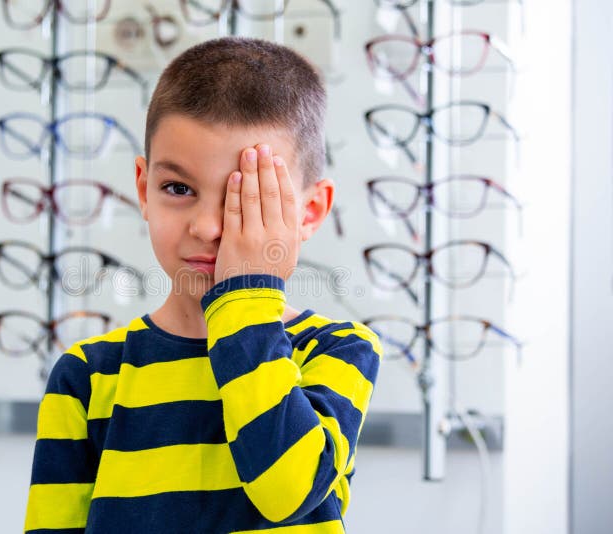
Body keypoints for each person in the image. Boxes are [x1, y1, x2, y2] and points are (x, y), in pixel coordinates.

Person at [23, 36, 383, 533]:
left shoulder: (337, 352)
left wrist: (245, 298)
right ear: (143, 188)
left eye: (250, 197)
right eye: (178, 188)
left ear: (310, 211)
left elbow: (286, 490)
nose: (209, 227)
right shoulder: (86, 378)